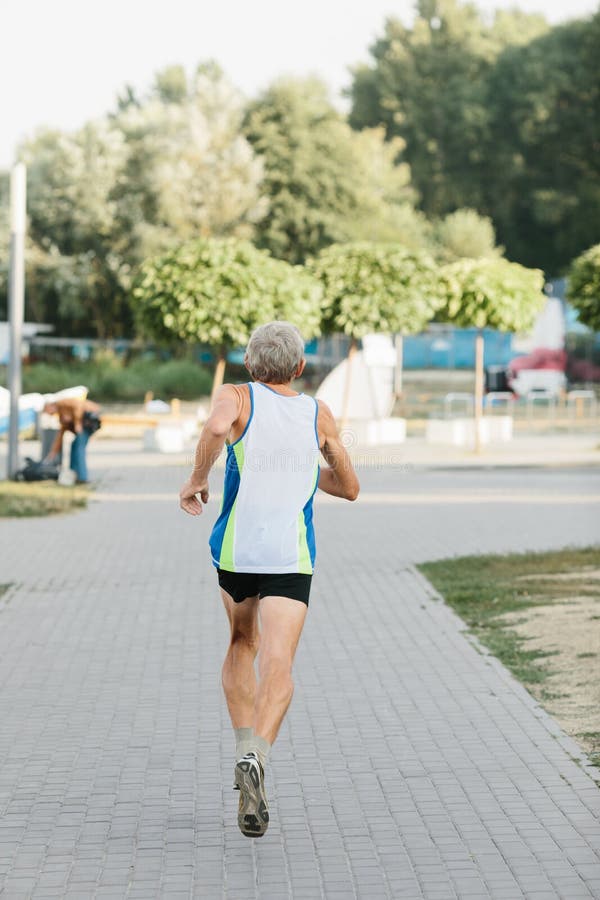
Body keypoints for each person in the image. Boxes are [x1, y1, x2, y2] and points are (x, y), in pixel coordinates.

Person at [179, 321, 359, 838]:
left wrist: (196, 479)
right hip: (289, 554)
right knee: (280, 662)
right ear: (300, 368)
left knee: (241, 642)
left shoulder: (235, 397)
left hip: (237, 550)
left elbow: (215, 430)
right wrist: (307, 470)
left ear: (249, 363)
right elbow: (349, 486)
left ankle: (241, 750)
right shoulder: (317, 412)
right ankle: (257, 756)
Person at [43, 395, 101, 484]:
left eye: (47, 411)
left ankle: (82, 477)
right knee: (74, 446)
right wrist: (53, 451)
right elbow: (61, 433)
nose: (49, 414)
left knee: (79, 448)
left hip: (86, 422)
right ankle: (74, 474)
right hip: (83, 425)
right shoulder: (61, 414)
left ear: (49, 406)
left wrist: (77, 423)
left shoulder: (62, 402)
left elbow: (78, 405)